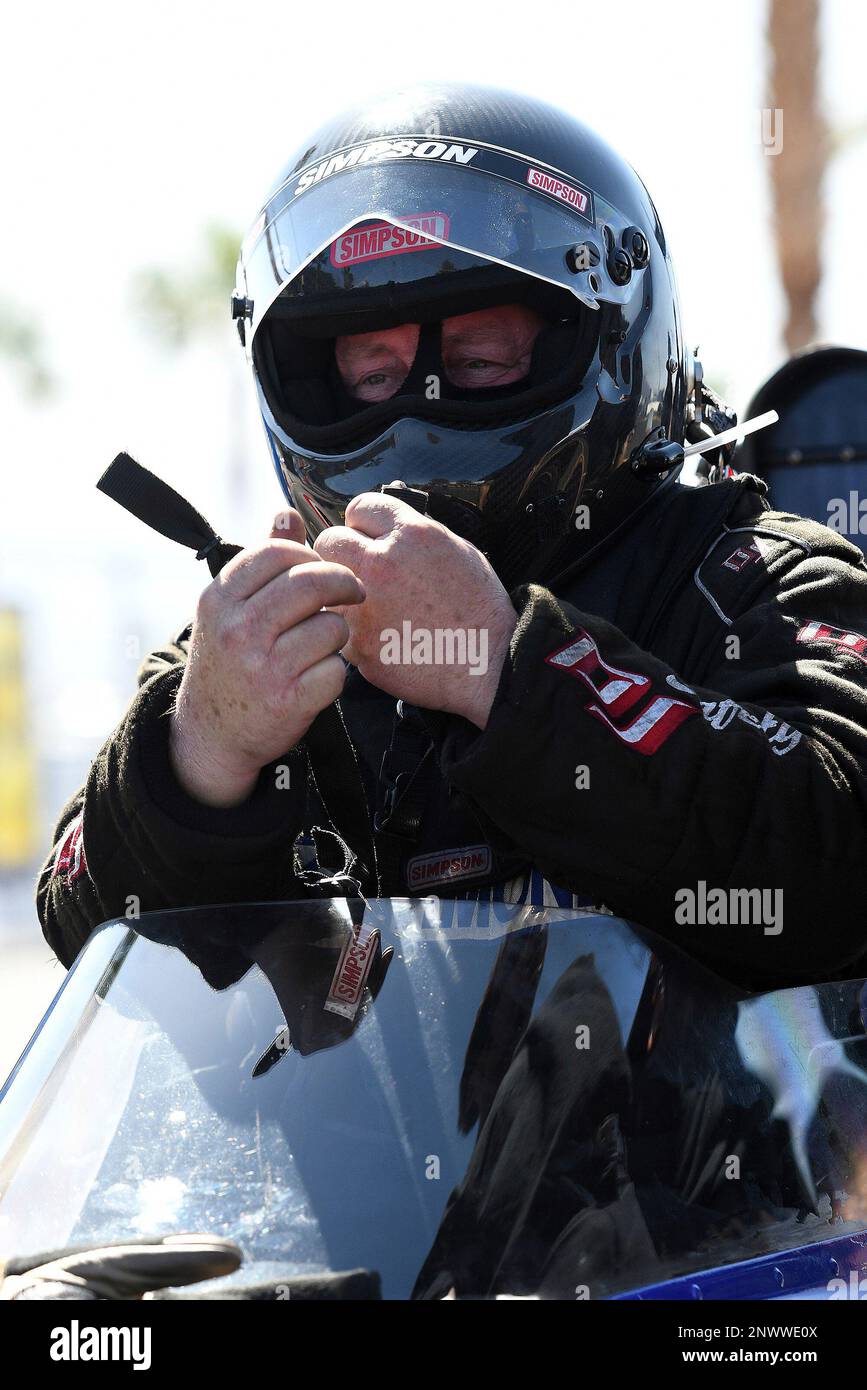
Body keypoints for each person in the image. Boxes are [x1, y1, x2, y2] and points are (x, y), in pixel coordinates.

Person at [38, 82, 867, 992]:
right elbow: (83, 932)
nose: (414, 410)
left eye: (474, 361)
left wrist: (497, 666)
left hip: (717, 1134)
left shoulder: (750, 576)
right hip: (353, 1136)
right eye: (371, 374)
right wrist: (200, 754)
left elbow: (838, 853)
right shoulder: (269, 624)